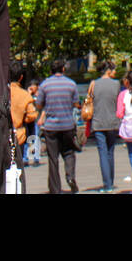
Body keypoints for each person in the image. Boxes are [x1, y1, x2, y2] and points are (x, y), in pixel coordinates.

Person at [35, 58, 80, 193]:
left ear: (51, 71)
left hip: (51, 127)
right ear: (63, 69)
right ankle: (70, 177)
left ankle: (55, 188)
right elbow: (76, 103)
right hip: (67, 125)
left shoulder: (44, 85)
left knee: (53, 158)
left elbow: (38, 105)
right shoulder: (71, 84)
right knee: (69, 153)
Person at [89, 60, 122, 192]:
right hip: (113, 122)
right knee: (110, 152)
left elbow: (89, 100)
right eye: (113, 70)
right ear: (108, 70)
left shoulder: (94, 84)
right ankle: (111, 182)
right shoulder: (116, 84)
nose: (115, 72)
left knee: (102, 153)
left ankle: (106, 184)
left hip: (98, 122)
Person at [8, 61, 37, 166]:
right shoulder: (25, 95)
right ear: (21, 77)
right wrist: (24, 119)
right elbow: (32, 115)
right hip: (18, 135)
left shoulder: (1, 93)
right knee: (17, 167)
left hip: (2, 135)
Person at [24, 79, 43, 166]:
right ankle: (25, 158)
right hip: (27, 119)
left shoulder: (40, 95)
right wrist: (29, 93)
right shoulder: (27, 95)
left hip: (36, 120)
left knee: (35, 138)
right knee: (26, 139)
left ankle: (36, 157)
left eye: (33, 86)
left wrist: (41, 119)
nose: (32, 88)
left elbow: (43, 107)